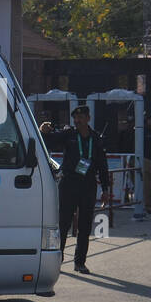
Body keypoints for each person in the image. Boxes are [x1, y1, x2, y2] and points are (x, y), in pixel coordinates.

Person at [57, 105, 113, 274]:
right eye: (75, 117)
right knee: (63, 223)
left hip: (88, 186)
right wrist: (43, 130)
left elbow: (103, 166)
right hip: (69, 184)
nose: (77, 120)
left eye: (81, 117)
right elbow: (49, 140)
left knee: (85, 225)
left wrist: (105, 189)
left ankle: (80, 262)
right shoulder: (69, 135)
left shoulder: (96, 139)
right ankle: (56, 259)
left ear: (88, 118)